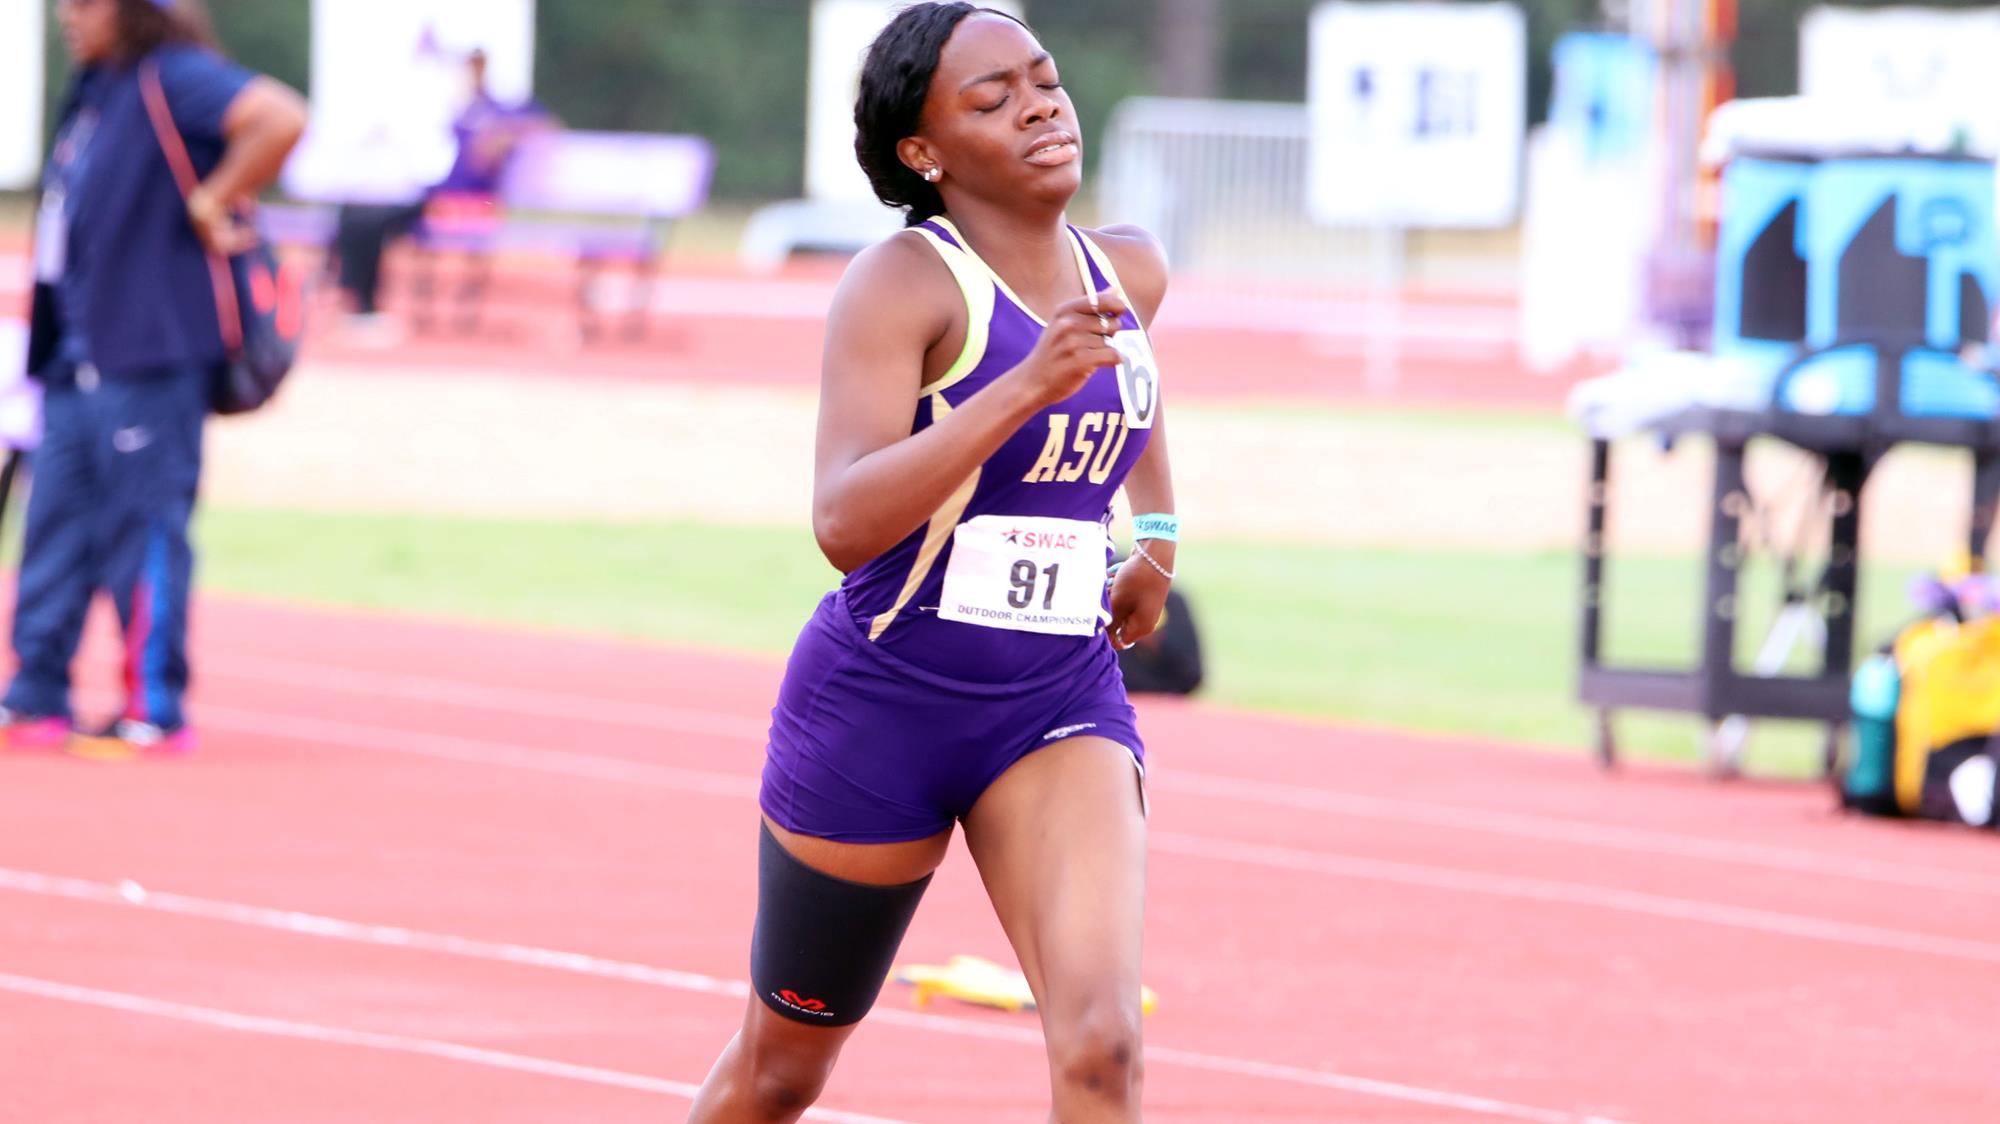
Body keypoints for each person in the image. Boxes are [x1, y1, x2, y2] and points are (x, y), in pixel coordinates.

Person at [687, 5, 1177, 1121]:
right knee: (781, 1071)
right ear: (923, 151)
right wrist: (1024, 385)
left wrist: (1153, 533)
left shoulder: (1129, 269)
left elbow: (1137, 385)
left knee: (1102, 1045)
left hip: (1054, 699)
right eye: (993, 99)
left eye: (1044, 80)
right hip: (884, 707)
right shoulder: (901, 284)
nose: (1040, 108)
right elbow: (842, 518)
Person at [3, 0, 306, 754]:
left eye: (87, 2)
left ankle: (153, 704)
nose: (68, 15)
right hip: (74, 352)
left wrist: (212, 195)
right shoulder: (96, 88)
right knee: (54, 527)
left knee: (143, 527)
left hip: (151, 351)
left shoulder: (173, 76)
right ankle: (35, 692)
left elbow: (280, 117)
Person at [329, 49, 555, 333]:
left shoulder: (501, 110)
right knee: (356, 217)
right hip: (436, 193)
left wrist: (504, 135)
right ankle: (354, 296)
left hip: (467, 202)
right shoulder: (460, 108)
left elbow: (545, 126)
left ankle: (366, 306)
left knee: (371, 223)